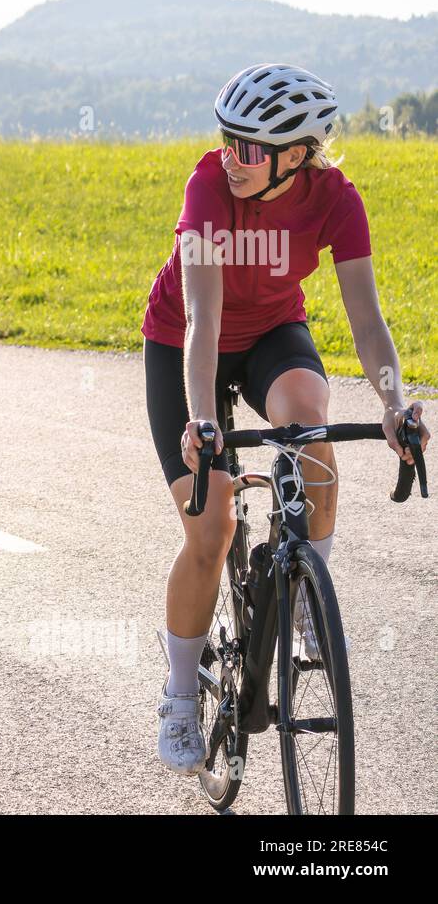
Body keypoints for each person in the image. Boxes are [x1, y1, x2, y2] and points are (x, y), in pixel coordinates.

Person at [140, 63, 429, 776]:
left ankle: (308, 599)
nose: (232, 157)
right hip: (185, 342)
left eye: (251, 148)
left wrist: (394, 406)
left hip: (272, 333)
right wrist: (203, 424)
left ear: (297, 155)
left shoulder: (336, 199)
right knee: (212, 529)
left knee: (312, 425)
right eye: (227, 140)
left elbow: (366, 318)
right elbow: (203, 319)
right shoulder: (210, 186)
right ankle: (180, 690)